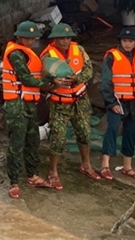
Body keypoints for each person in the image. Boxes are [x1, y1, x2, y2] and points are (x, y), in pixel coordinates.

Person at [41, 22, 100, 189]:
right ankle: (53, 172)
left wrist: (77, 79)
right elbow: (42, 83)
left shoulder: (79, 50)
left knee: (85, 133)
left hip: (80, 101)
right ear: (55, 39)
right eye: (61, 38)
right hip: (60, 105)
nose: (66, 41)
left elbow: (89, 70)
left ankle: (86, 165)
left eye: (68, 37)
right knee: (58, 138)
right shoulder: (47, 56)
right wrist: (53, 82)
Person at [1, 21, 51, 199]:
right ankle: (13, 181)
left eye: (33, 38)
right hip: (17, 104)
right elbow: (26, 78)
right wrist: (48, 85)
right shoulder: (15, 53)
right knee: (17, 143)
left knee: (33, 139)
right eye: (27, 38)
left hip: (29, 103)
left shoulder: (27, 53)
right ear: (19, 37)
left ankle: (32, 175)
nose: (30, 41)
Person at [99, 27, 135, 181]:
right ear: (120, 41)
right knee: (113, 129)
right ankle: (105, 165)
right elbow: (106, 83)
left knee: (131, 132)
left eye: (130, 41)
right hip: (117, 101)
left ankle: (127, 167)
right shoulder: (111, 56)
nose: (127, 44)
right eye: (124, 40)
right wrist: (111, 102)